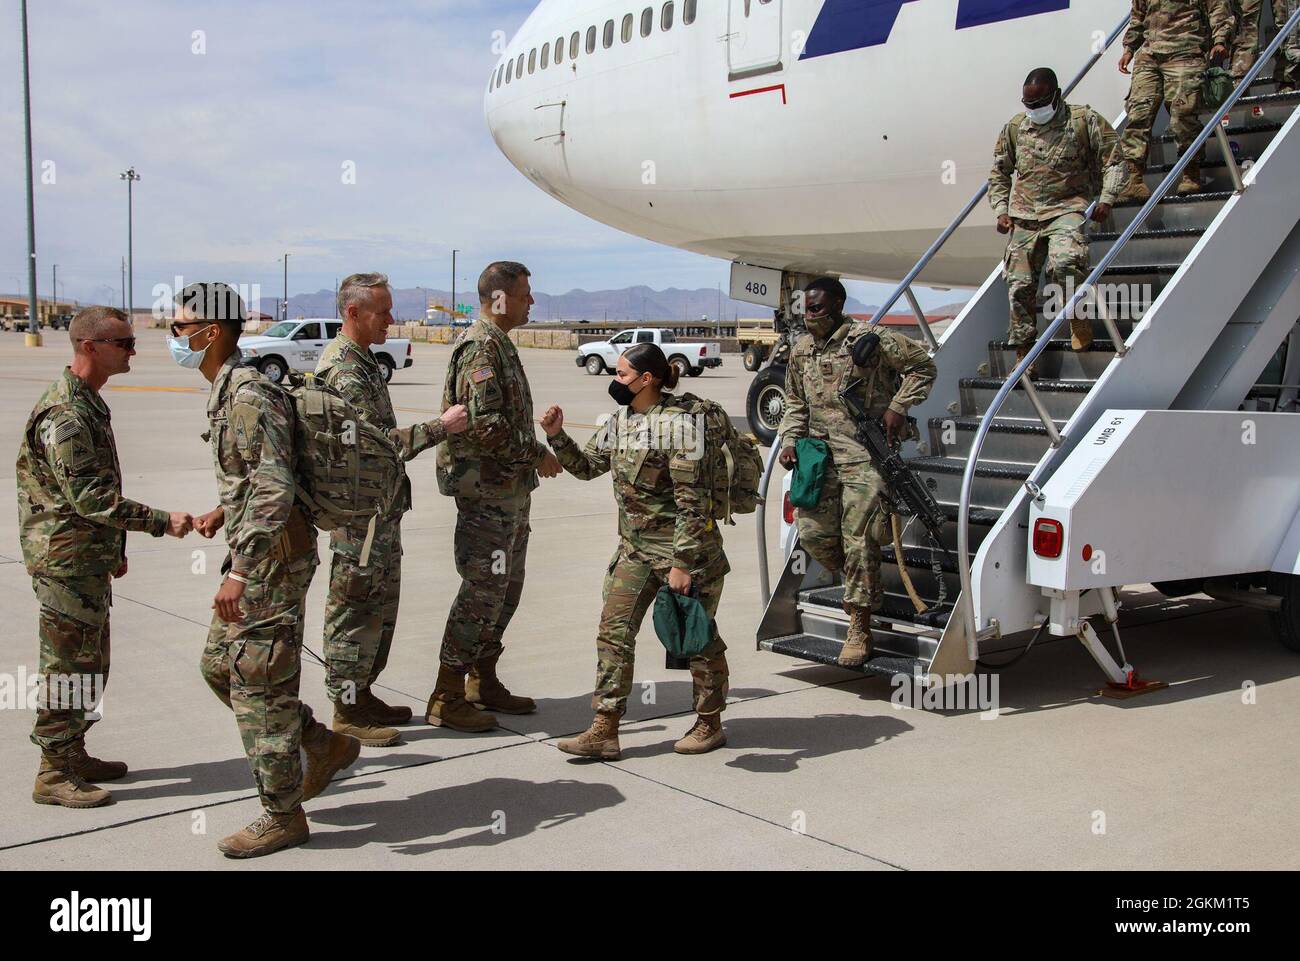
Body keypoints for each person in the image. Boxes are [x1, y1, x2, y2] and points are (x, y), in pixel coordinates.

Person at [176, 282, 359, 858]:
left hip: (270, 561)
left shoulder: (248, 393)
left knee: (257, 683)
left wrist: (240, 572)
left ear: (210, 331)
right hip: (261, 549)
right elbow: (260, 477)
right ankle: (316, 742)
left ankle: (283, 814)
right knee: (219, 668)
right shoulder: (230, 387)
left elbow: (275, 486)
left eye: (180, 328)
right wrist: (221, 511)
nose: (174, 338)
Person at [17, 306, 193, 808]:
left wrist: (112, 549)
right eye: (124, 343)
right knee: (68, 666)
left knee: (90, 663)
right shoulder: (67, 416)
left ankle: (72, 752)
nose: (133, 350)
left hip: (83, 558)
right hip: (64, 563)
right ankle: (53, 771)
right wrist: (165, 521)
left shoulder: (87, 402)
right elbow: (90, 499)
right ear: (89, 347)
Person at [541, 344, 731, 759]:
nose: (616, 380)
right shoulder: (619, 421)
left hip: (685, 555)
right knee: (613, 634)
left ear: (648, 379)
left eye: (623, 374)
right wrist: (557, 436)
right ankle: (604, 729)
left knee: (695, 641)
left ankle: (709, 722)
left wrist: (683, 564)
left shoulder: (680, 427)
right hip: (636, 552)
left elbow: (693, 503)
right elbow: (588, 466)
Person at [315, 273, 468, 747]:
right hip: (359, 519)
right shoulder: (343, 370)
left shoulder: (362, 361)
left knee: (378, 609)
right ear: (353, 313)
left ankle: (362, 693)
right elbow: (377, 445)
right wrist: (441, 428)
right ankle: (345, 708)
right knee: (353, 610)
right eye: (382, 312)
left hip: (378, 513)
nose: (391, 319)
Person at [426, 262, 561, 732]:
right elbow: (484, 425)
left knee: (506, 588)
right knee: (482, 589)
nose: (532, 301)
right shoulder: (480, 347)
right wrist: (534, 452)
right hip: (486, 493)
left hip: (508, 492)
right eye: (526, 293)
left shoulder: (499, 344)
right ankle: (446, 694)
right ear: (499, 297)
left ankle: (482, 678)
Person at [776, 278, 936, 667]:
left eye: (817, 308)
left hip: (865, 456)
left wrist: (897, 407)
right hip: (819, 458)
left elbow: (923, 367)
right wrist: (789, 439)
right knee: (812, 534)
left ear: (838, 304)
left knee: (860, 539)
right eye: (805, 309)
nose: (809, 315)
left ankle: (859, 626)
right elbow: (795, 400)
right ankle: (860, 580)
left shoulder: (871, 339)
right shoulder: (801, 350)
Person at [989, 67, 1121, 367]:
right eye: (1028, 105)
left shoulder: (1083, 120)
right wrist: (1001, 209)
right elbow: (999, 173)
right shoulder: (1015, 128)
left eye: (1039, 103)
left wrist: (1108, 198)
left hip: (1067, 208)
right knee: (1019, 284)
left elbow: (1113, 159)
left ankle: (1078, 316)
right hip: (1024, 214)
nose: (1034, 110)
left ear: (1056, 95)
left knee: (1066, 263)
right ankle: (1025, 352)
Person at [1113, 0, 1235, 202]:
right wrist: (1129, 48)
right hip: (1149, 54)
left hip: (1185, 49)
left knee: (1182, 115)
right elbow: (1138, 15)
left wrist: (1220, 40)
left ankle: (1191, 173)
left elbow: (1218, 7)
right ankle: (1133, 180)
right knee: (1138, 114)